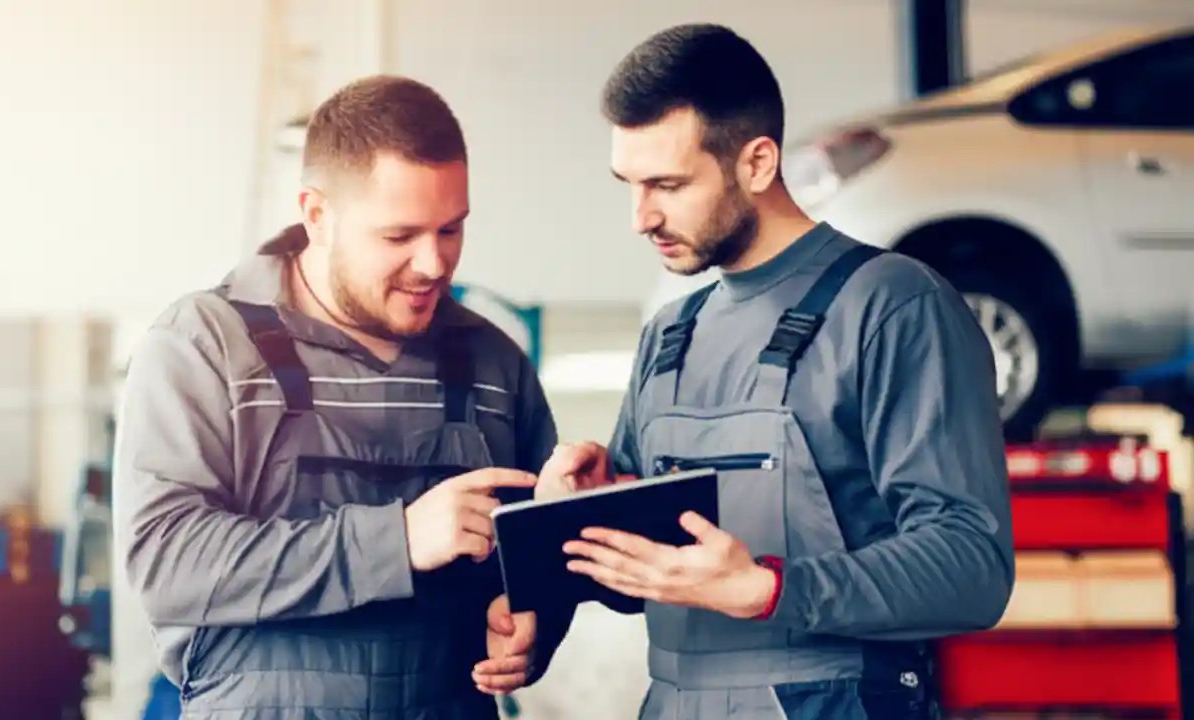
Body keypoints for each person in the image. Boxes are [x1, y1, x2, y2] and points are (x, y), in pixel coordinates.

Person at [537, 23, 1015, 719]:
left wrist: (768, 589)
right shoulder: (671, 332)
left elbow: (972, 569)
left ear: (757, 163)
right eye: (629, 185)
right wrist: (577, 518)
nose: (641, 216)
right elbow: (643, 585)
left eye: (667, 184)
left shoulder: (891, 307)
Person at [113, 75, 573, 719]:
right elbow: (169, 565)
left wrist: (537, 622)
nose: (435, 263)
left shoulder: (496, 363)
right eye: (399, 236)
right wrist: (398, 541)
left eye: (451, 229)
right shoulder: (205, 346)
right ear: (317, 214)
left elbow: (537, 556)